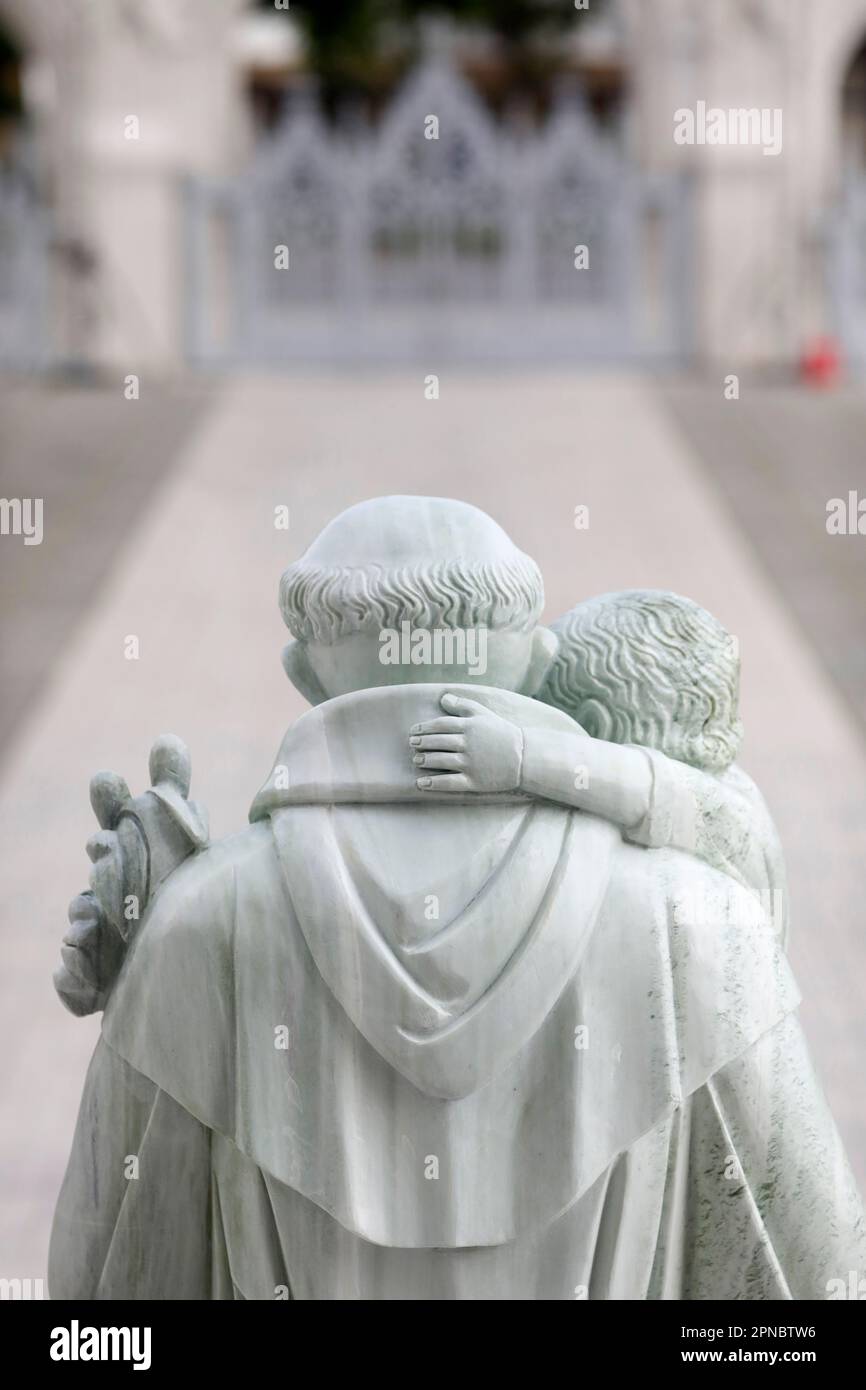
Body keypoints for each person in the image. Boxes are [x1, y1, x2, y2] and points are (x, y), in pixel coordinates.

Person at [49, 497, 865, 1299]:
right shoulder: (693, 920)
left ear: (302, 676)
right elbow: (813, 1275)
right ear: (540, 664)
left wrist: (149, 967)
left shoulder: (200, 922)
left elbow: (97, 1300)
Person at [411, 589, 788, 947]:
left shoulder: (720, 807)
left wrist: (520, 755)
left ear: (595, 727)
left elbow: (646, 784)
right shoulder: (727, 786)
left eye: (544, 710)